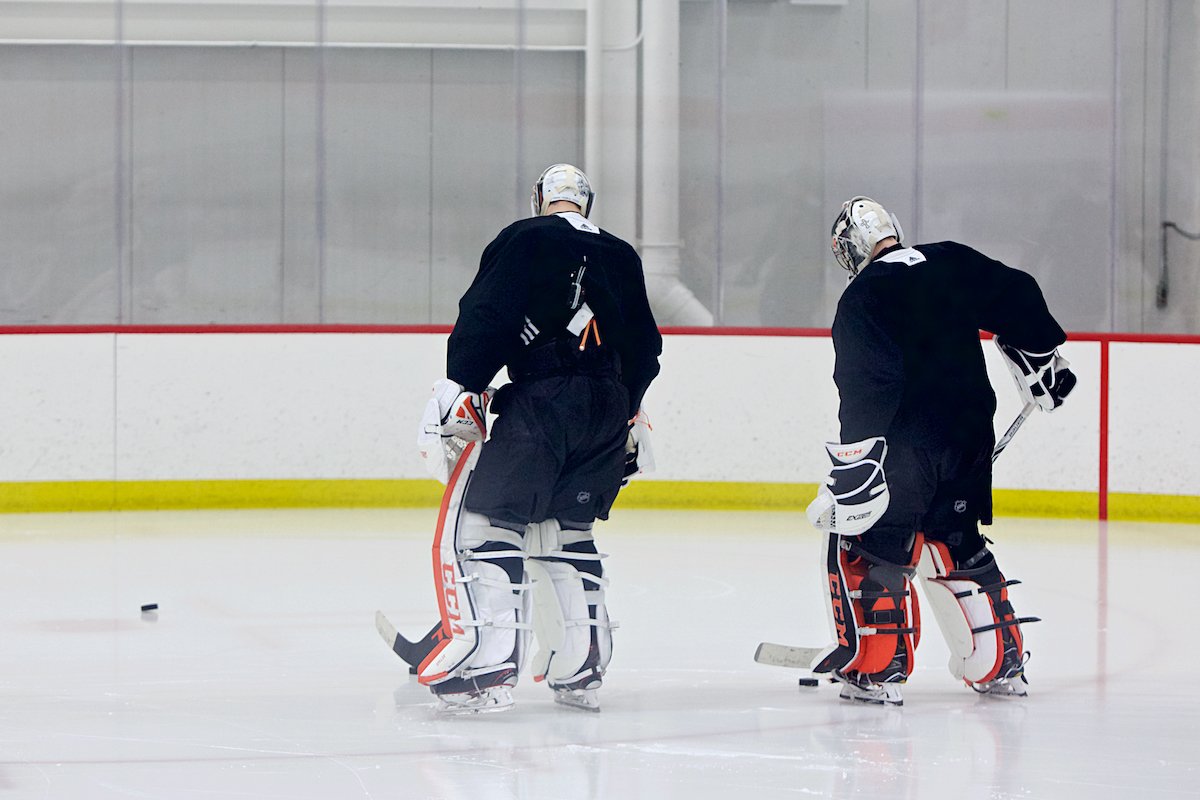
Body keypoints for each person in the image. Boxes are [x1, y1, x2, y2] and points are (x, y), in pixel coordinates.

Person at [804, 196, 1076, 706]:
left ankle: (877, 667)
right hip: (971, 434)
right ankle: (1000, 662)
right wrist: (1041, 353)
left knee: (871, 542)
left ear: (848, 249)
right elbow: (1017, 289)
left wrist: (856, 461)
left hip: (905, 444)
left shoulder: (863, 296)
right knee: (954, 536)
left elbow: (866, 384)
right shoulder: (949, 258)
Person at [412, 164, 661, 714]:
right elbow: (646, 344)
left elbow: (487, 314)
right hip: (608, 405)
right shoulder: (622, 254)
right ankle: (583, 667)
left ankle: (487, 665)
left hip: (545, 398)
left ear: (540, 199)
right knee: (568, 528)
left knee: (486, 522)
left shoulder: (523, 238)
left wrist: (466, 384)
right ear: (586, 202)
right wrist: (630, 407)